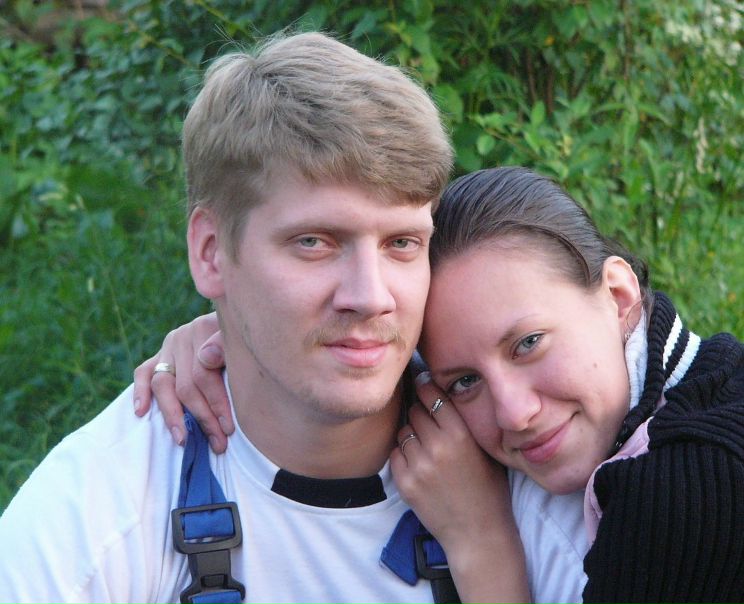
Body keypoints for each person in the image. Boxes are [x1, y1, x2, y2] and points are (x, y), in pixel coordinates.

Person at [0, 32, 531, 604]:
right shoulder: (88, 526)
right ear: (211, 253)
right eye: (314, 242)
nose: (370, 296)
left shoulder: (520, 457)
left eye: (401, 243)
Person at [138, 166, 744, 603]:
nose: (514, 413)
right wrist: (233, 333)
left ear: (617, 293)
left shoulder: (681, 493)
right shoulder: (704, 376)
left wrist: (481, 540)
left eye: (528, 343)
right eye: (465, 382)